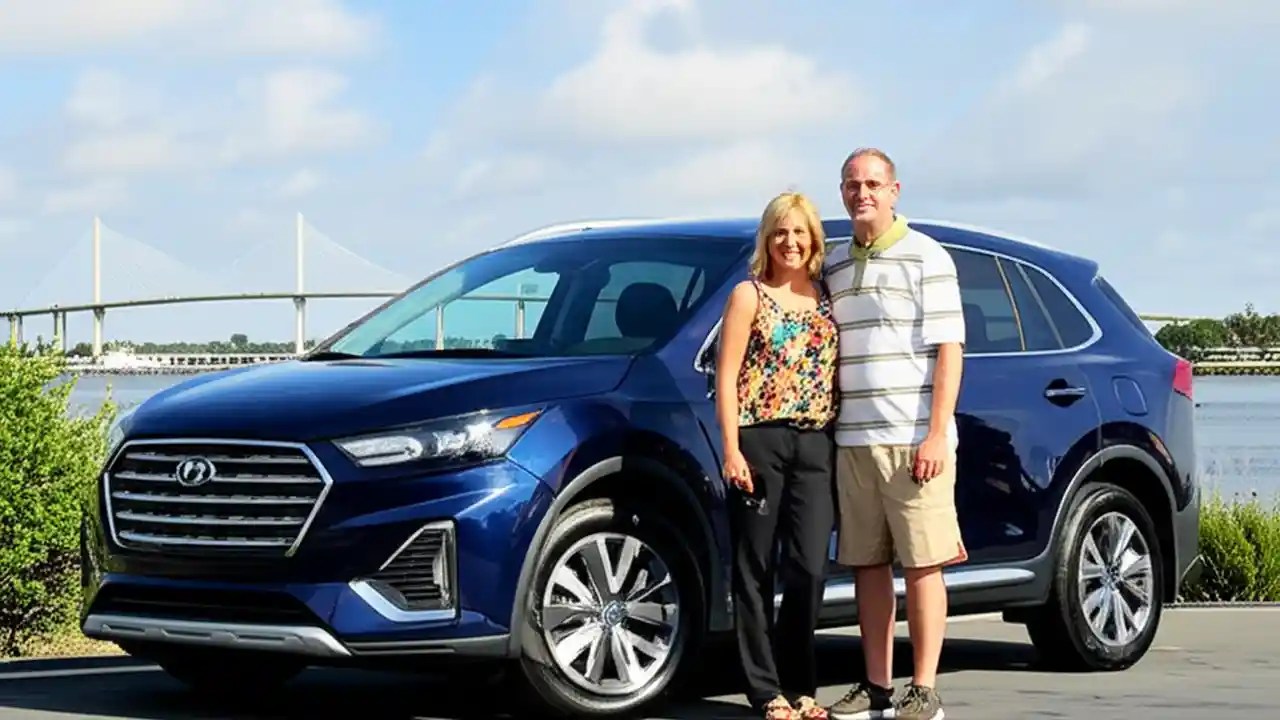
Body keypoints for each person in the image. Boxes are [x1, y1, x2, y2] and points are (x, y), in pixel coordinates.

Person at [822, 148, 967, 720]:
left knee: (923, 564)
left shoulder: (927, 257)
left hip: (912, 440)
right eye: (853, 184)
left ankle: (924, 688)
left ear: (895, 190)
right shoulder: (833, 264)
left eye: (874, 184)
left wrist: (936, 434)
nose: (863, 193)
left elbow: (949, 351)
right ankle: (877, 685)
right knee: (867, 564)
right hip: (852, 440)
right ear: (842, 192)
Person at [716, 191, 840, 720]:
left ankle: (803, 686)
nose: (790, 242)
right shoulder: (749, 296)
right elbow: (725, 377)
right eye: (780, 232)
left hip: (816, 443)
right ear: (766, 239)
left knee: (810, 567)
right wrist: (731, 449)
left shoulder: (827, 297)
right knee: (755, 569)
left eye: (800, 232)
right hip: (759, 440)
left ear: (814, 240)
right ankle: (767, 692)